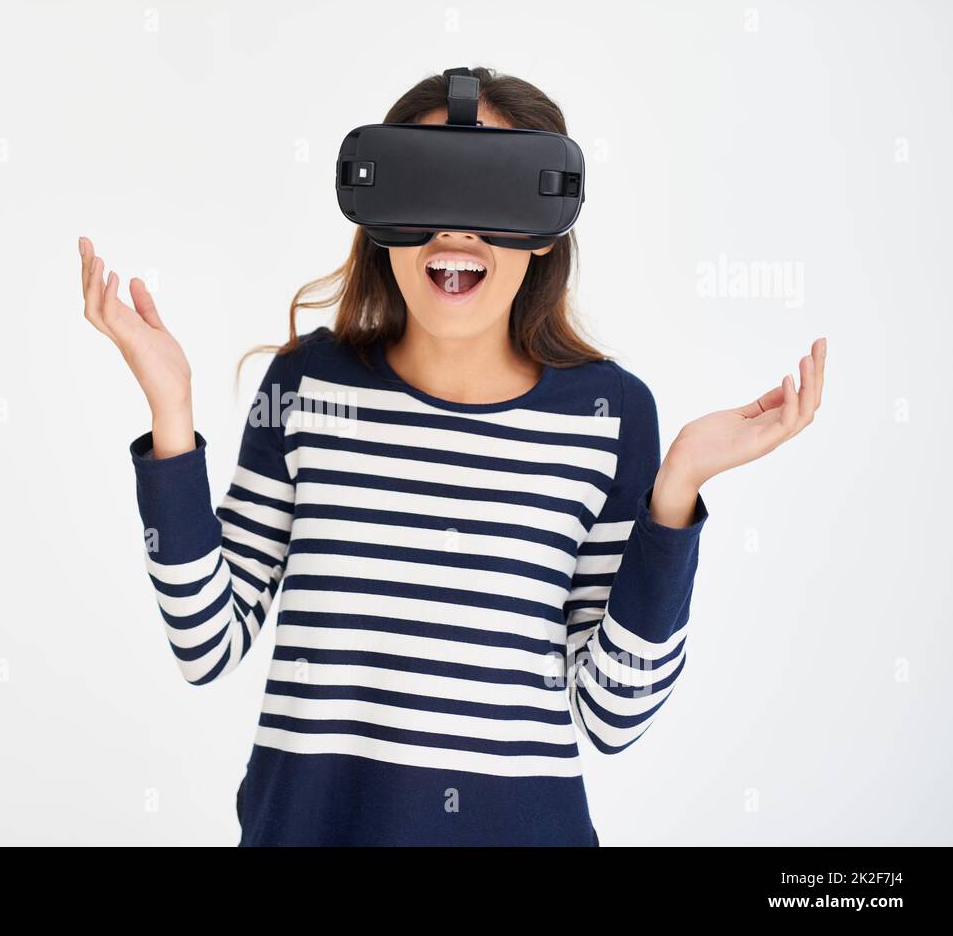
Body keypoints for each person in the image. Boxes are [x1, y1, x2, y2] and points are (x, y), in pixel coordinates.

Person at [77, 68, 826, 846]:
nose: (457, 233)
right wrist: (171, 414)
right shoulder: (304, 386)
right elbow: (207, 641)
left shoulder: (611, 415)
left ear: (542, 233)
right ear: (380, 219)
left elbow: (614, 711)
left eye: (493, 197)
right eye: (428, 189)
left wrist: (676, 492)